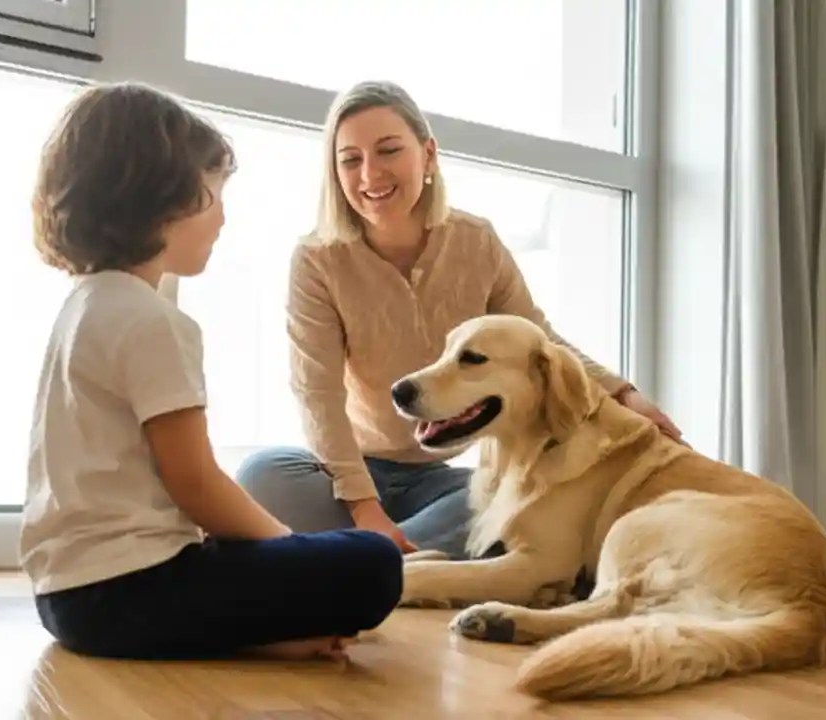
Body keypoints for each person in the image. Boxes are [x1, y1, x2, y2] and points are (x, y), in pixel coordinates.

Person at [20, 82, 402, 663]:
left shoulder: (85, 305)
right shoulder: (152, 321)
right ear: (160, 197)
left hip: (65, 599)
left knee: (304, 558)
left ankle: (260, 625)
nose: (223, 215)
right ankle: (266, 633)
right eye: (214, 193)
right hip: (132, 592)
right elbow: (195, 482)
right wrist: (291, 548)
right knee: (374, 562)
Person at [236, 81, 683, 559]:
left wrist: (625, 393)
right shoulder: (316, 259)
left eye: (389, 150)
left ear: (427, 155)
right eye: (350, 159)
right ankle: (388, 558)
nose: (370, 174)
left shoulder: (476, 241)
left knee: (506, 501)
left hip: (442, 481)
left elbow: (540, 342)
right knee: (262, 475)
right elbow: (317, 395)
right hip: (347, 476)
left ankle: (359, 561)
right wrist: (367, 510)